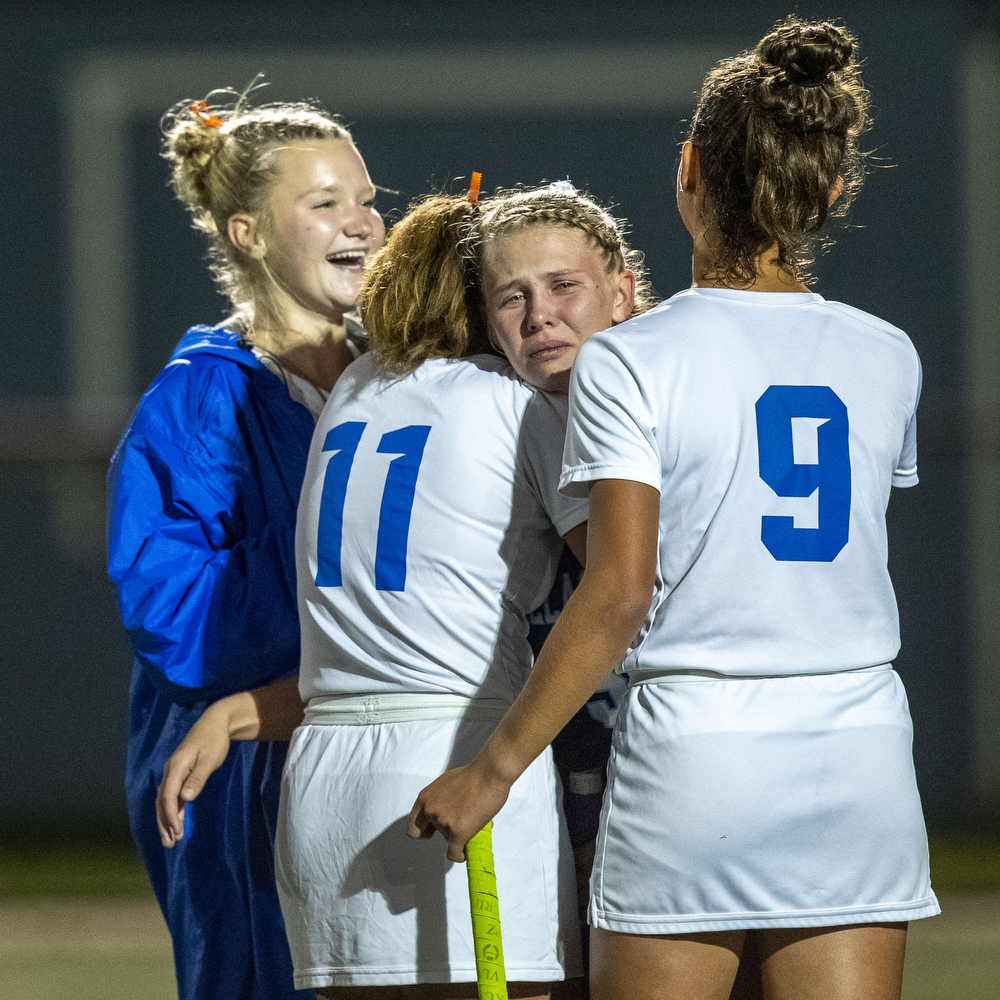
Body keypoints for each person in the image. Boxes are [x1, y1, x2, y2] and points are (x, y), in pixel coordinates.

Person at [408, 17, 939, 1000]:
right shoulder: (887, 353)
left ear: (690, 168)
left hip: (699, 748)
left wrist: (491, 771)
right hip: (858, 750)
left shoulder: (629, 358)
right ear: (831, 189)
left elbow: (616, 595)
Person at [156, 183, 653, 999]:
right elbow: (629, 588)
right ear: (480, 305)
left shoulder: (349, 400)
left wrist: (243, 708)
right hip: (462, 767)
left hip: (321, 788)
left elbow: (386, 652)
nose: (535, 319)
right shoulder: (520, 406)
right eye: (511, 294)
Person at [107, 88, 384, 1000]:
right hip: (247, 778)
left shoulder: (404, 378)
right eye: (325, 204)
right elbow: (180, 619)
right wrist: (352, 559)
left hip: (382, 752)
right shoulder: (197, 402)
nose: (362, 222)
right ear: (247, 234)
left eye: (366, 198)